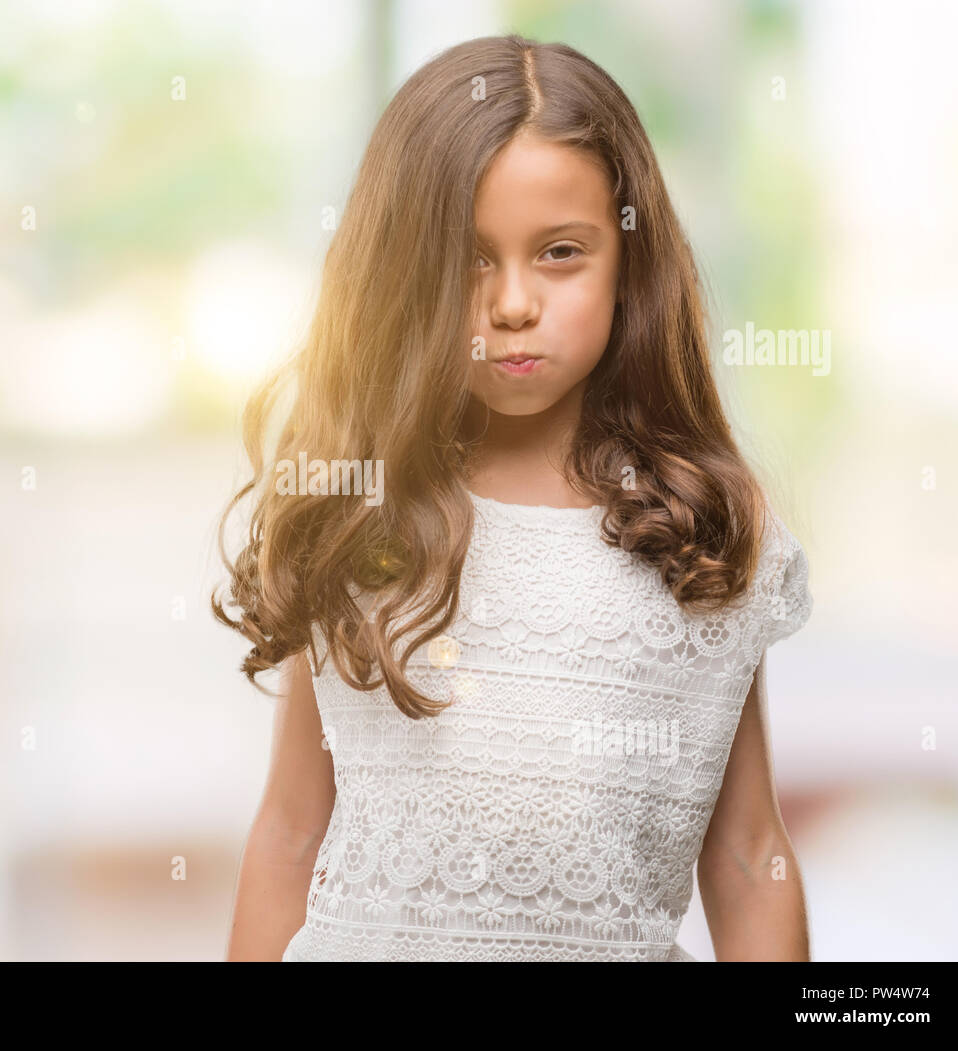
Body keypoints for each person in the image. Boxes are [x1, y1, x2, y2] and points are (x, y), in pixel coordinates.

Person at [214, 35, 814, 962]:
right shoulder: (362, 514)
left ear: (630, 260)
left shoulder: (700, 531)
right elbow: (291, 832)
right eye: (467, 259)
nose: (513, 303)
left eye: (562, 252)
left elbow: (744, 856)